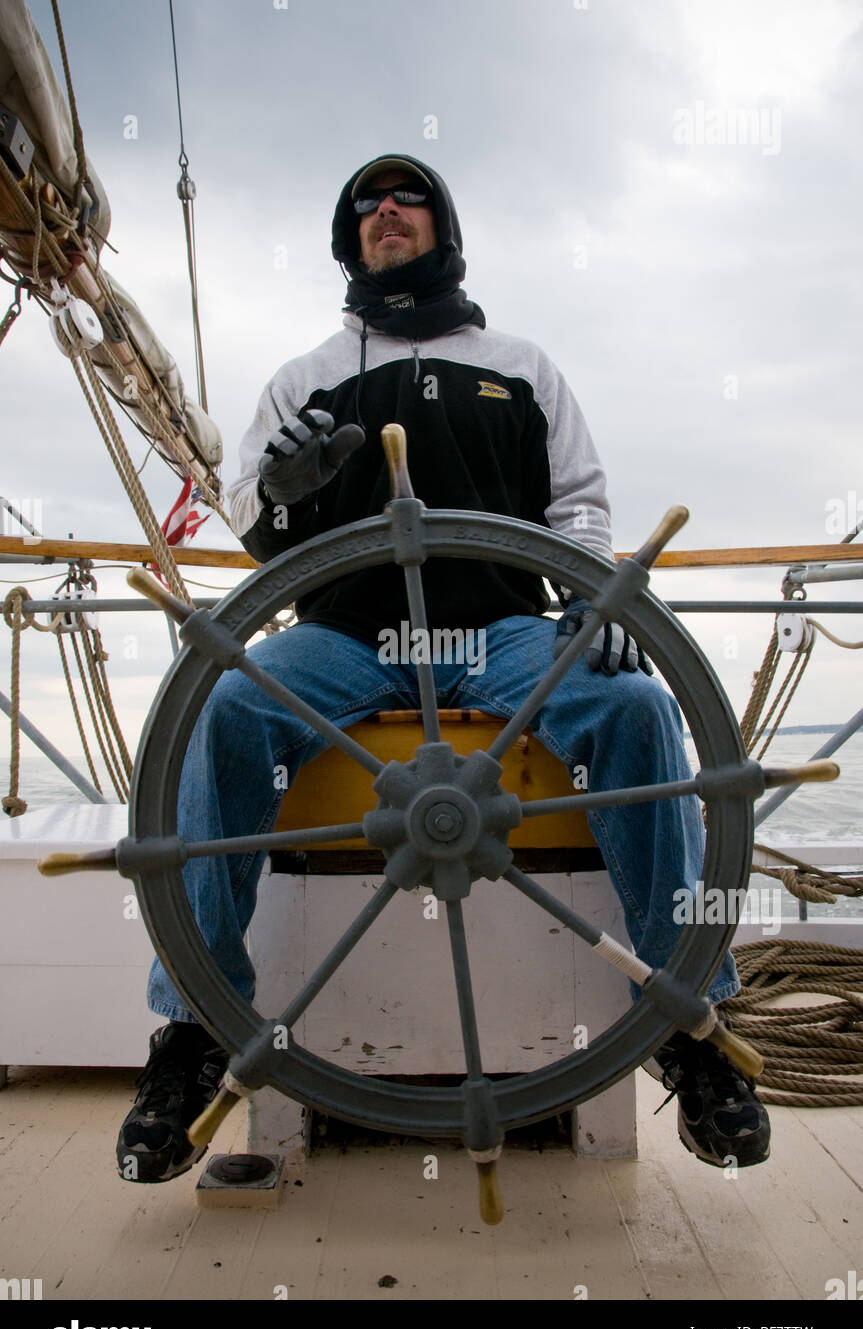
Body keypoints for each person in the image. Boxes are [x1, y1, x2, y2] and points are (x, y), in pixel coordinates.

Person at [116, 154, 769, 1183]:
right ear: (350, 239)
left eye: (404, 197)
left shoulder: (520, 363)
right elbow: (261, 543)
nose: (385, 212)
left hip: (501, 631)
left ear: (440, 224)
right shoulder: (304, 376)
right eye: (366, 205)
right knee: (227, 706)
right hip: (343, 635)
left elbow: (580, 509)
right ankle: (196, 1023)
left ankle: (690, 1014)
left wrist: (597, 603)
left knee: (635, 709)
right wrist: (281, 493)